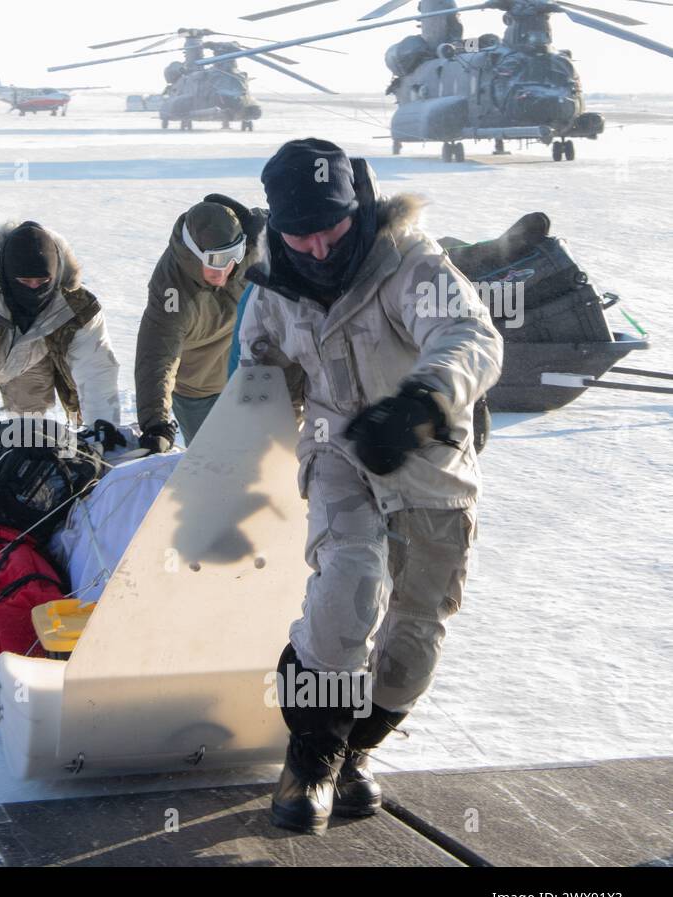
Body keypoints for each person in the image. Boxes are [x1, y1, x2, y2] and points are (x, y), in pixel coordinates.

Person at [236, 138, 502, 834]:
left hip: (425, 448)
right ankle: (311, 756)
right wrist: (230, 466)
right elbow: (260, 374)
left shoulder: (413, 263)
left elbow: (469, 334)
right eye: (301, 235)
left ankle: (356, 753)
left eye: (333, 229)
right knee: (348, 586)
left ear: (359, 206)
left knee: (414, 637)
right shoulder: (273, 281)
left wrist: (422, 403)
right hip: (337, 448)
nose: (319, 249)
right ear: (277, 227)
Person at [0, 220, 121, 447]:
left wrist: (103, 423)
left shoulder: (76, 303)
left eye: (43, 281)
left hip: (29, 359)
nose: (34, 288)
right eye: (24, 281)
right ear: (6, 276)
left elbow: (95, 364)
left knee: (32, 438)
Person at [135, 194, 265, 451]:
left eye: (233, 254)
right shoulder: (172, 292)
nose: (226, 268)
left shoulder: (253, 249)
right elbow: (157, 357)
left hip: (252, 375)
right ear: (194, 256)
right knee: (214, 464)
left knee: (263, 458)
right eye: (216, 259)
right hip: (200, 390)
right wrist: (156, 424)